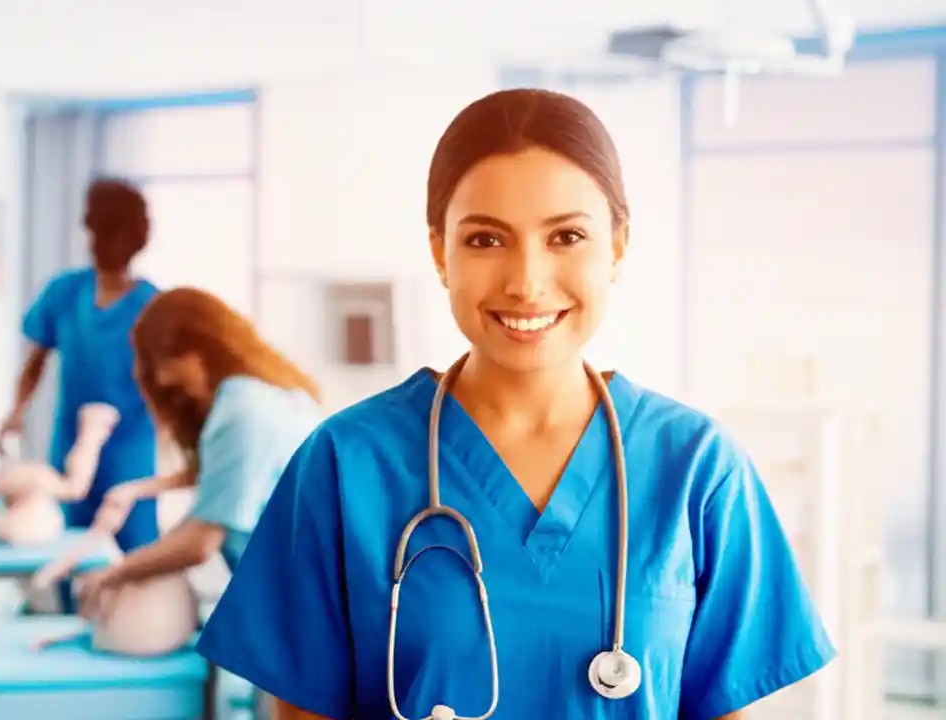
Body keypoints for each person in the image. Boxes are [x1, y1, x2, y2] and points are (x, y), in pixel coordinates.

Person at [195, 89, 836, 720]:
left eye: (566, 237)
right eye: (485, 240)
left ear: (616, 247)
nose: (527, 282)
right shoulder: (344, 464)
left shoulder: (698, 469)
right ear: (438, 253)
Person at [68, 287, 323, 612]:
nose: (161, 379)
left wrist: (113, 575)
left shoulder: (244, 411)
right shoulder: (270, 396)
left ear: (198, 348)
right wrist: (137, 490)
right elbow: (224, 471)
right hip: (301, 597)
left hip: (300, 606)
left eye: (163, 361)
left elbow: (199, 543)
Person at [0, 179, 161, 554]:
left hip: (130, 450)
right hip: (69, 443)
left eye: (113, 234)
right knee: (68, 547)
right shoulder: (65, 292)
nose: (101, 244)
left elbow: (167, 384)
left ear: (135, 239)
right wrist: (16, 412)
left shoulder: (152, 306)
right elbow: (35, 361)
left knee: (129, 552)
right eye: (97, 233)